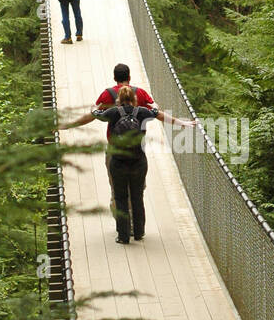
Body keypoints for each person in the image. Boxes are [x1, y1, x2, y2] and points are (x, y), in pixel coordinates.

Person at [62, 87, 192, 244]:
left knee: (121, 198)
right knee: (137, 197)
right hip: (138, 161)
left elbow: (97, 115)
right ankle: (139, 233)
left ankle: (123, 236)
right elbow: (158, 114)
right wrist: (180, 122)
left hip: (118, 161)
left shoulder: (113, 112)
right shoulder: (142, 111)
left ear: (118, 100)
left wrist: (94, 110)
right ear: (134, 99)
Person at [95, 64, 156, 216]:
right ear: (129, 77)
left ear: (114, 78)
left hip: (115, 150)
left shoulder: (107, 94)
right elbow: (154, 108)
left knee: (117, 187)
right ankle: (136, 225)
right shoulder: (140, 93)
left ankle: (121, 220)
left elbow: (96, 111)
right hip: (137, 151)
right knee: (136, 190)